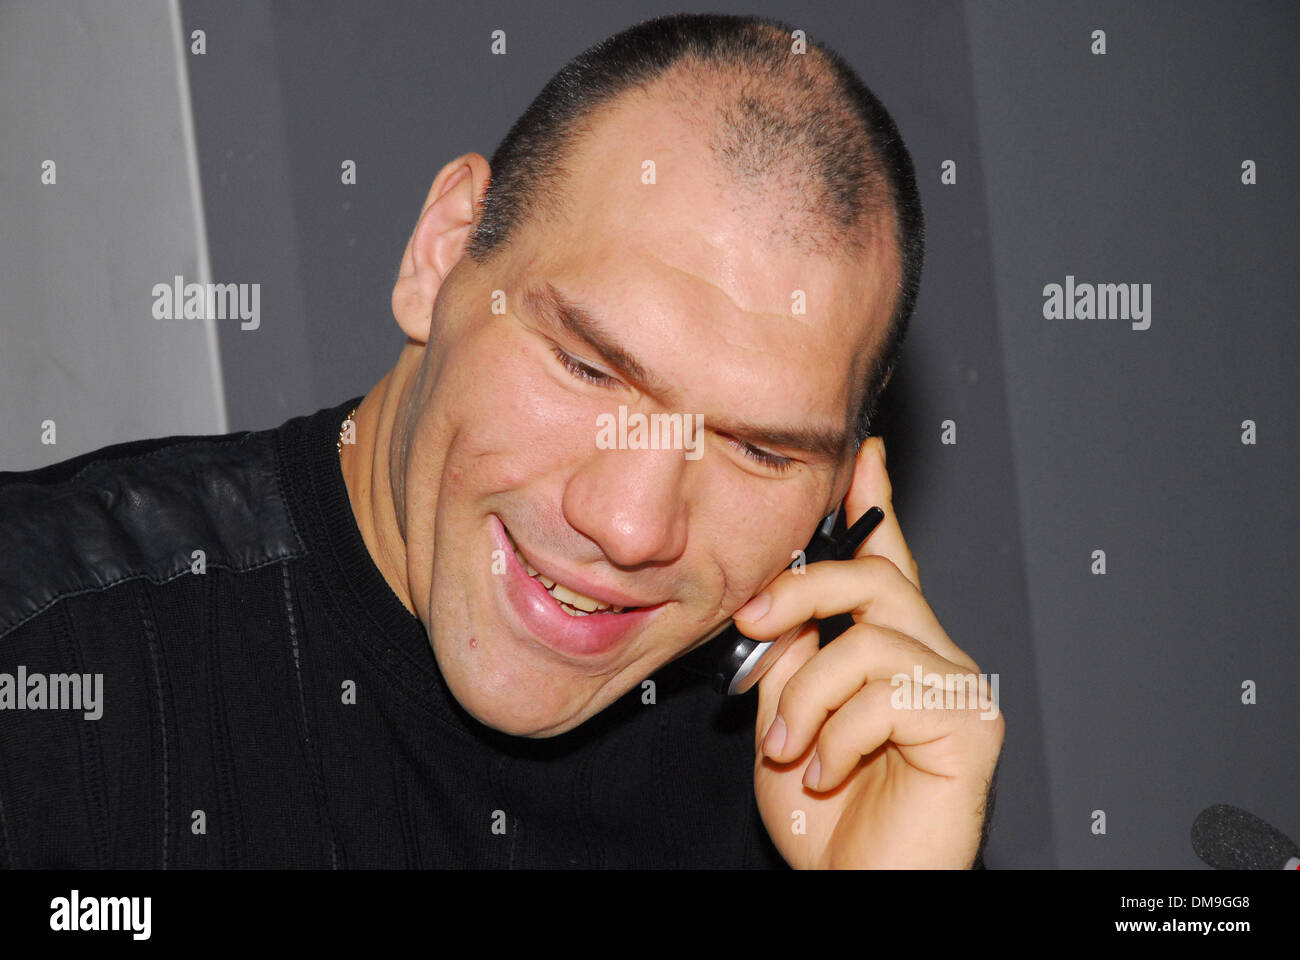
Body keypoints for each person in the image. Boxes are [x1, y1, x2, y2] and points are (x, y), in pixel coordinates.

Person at [0, 12, 1002, 869]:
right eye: (588, 367)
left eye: (760, 452)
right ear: (442, 254)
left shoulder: (820, 787)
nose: (630, 525)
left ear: (846, 485)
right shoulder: (44, 657)